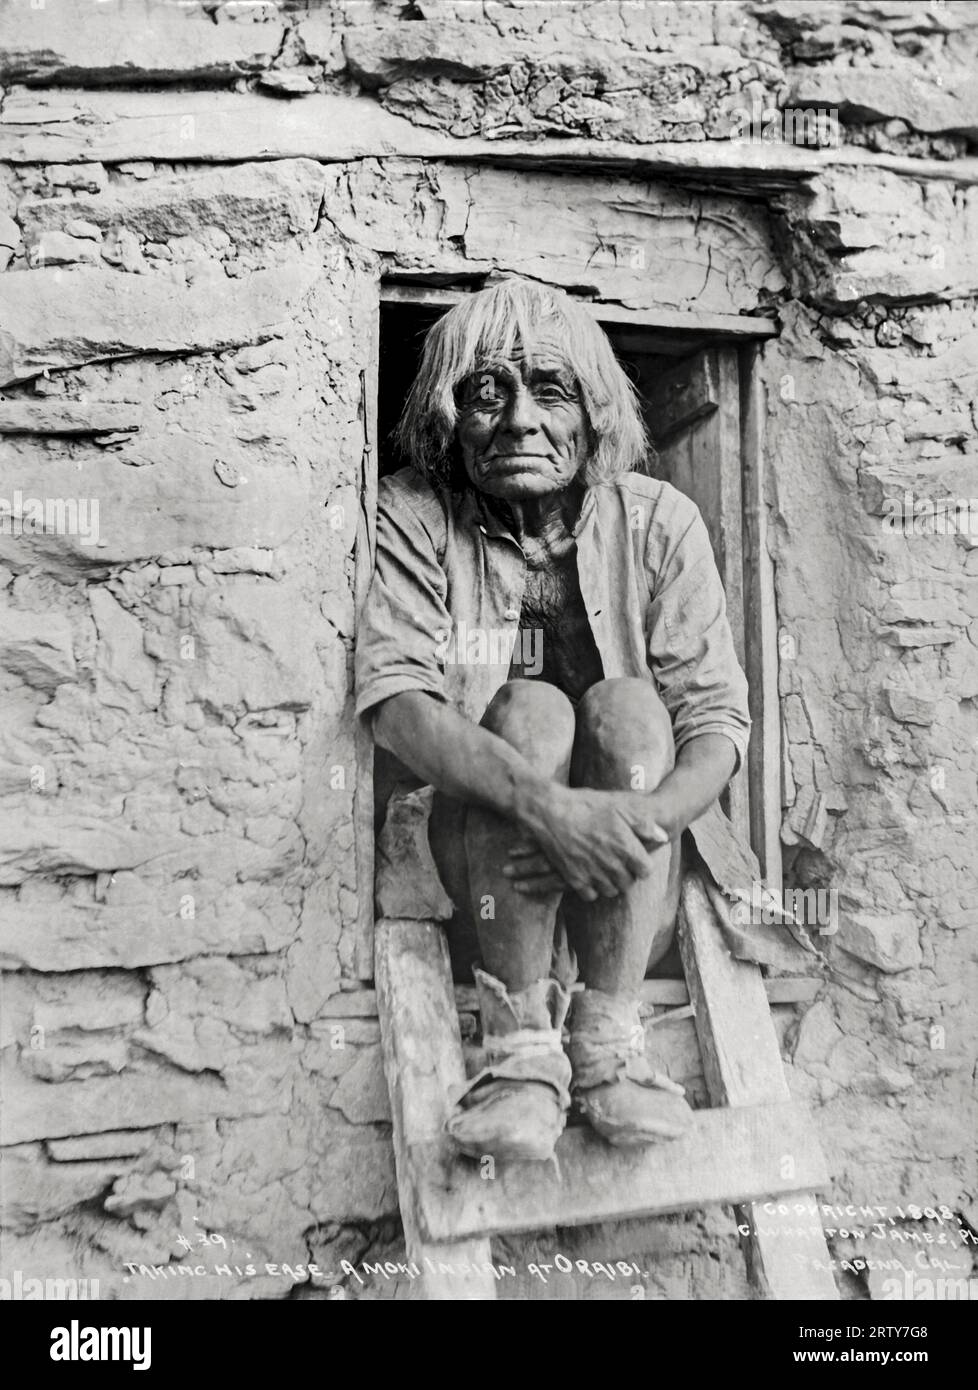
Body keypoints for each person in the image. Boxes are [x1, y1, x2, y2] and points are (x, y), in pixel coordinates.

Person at [356, 279, 750, 1163]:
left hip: (629, 887)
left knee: (629, 711)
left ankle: (608, 1044)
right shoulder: (415, 516)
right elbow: (397, 707)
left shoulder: (660, 522)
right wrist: (548, 810)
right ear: (447, 418)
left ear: (595, 415)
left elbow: (718, 721)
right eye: (487, 392)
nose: (520, 420)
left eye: (551, 389)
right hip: (476, 889)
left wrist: (636, 821)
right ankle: (521, 1054)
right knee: (529, 709)